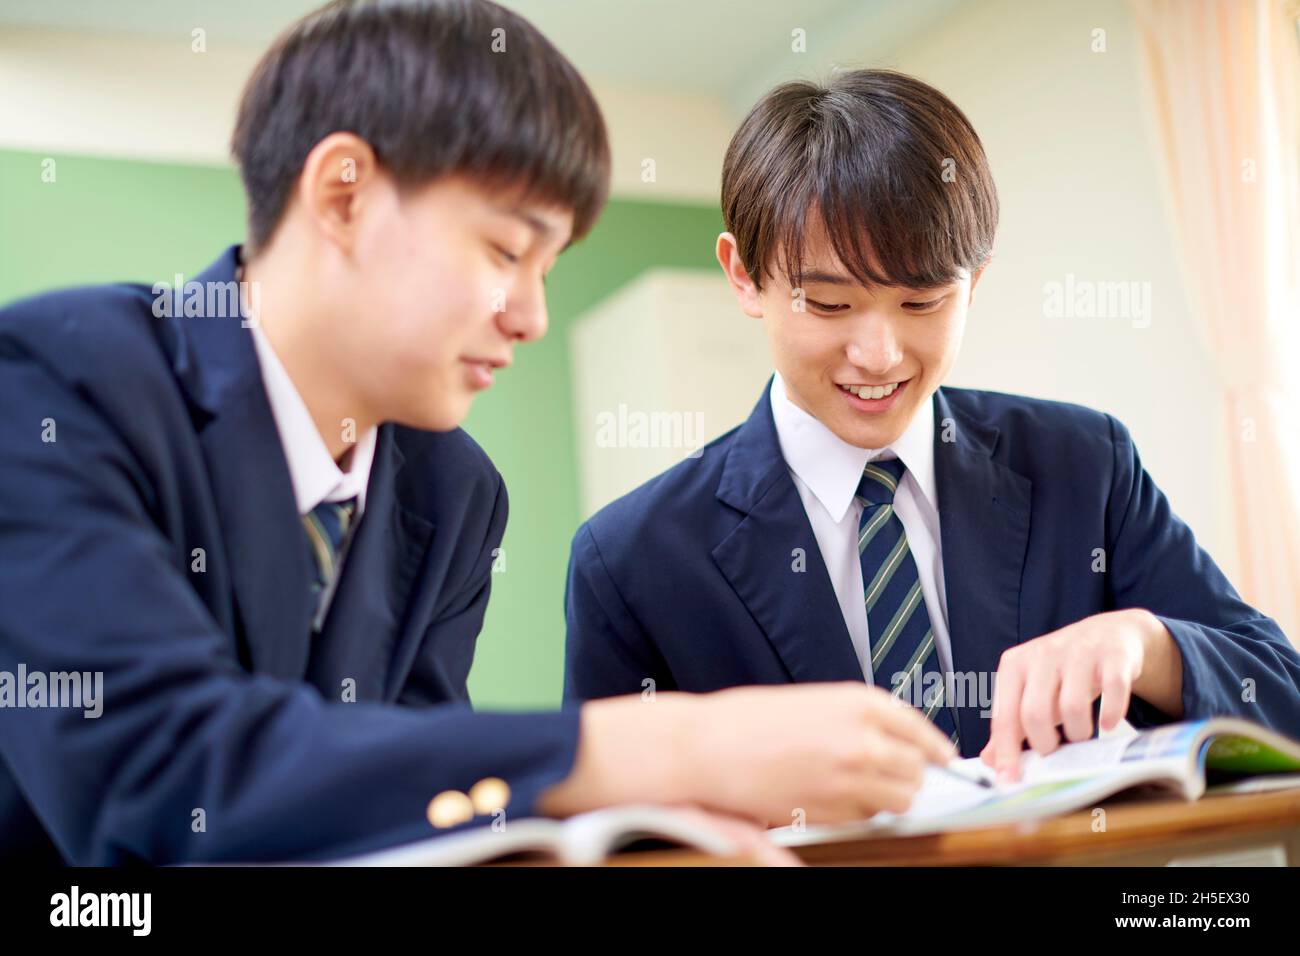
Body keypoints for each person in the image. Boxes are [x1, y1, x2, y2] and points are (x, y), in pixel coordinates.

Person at [0, 3, 956, 866]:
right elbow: (158, 778)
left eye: (549, 265)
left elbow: (416, 808)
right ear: (343, 194)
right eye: (506, 250)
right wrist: (664, 746)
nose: (533, 316)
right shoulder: (55, 381)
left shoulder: (451, 489)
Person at [563, 68, 1300, 784]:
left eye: (922, 304)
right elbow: (606, 827)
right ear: (743, 276)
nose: (879, 355)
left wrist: (1151, 646)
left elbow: (1281, 697)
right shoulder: (631, 561)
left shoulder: (1084, 465)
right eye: (828, 305)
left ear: (974, 282)